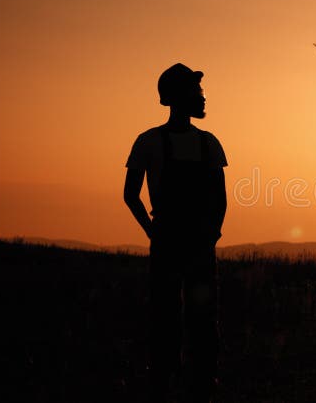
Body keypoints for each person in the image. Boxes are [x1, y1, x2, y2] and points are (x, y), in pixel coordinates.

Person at [123, 63, 227, 403]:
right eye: (197, 91)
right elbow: (130, 194)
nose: (203, 97)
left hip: (194, 243)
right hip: (174, 242)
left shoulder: (208, 143)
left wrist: (210, 235)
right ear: (177, 98)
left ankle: (200, 383)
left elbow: (220, 200)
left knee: (199, 318)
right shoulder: (150, 141)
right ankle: (167, 381)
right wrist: (153, 231)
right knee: (167, 316)